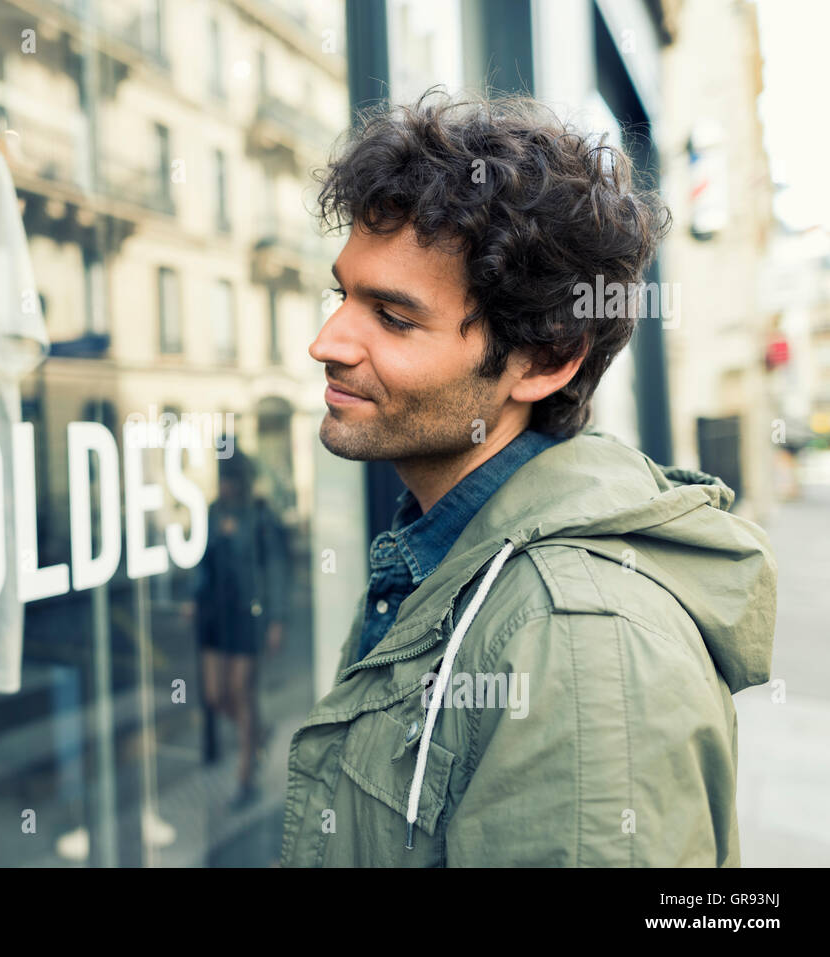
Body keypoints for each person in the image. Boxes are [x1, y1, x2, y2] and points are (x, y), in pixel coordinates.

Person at [280, 90, 777, 867]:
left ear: (546, 359)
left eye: (394, 317)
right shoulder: (441, 551)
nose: (327, 341)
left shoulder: (580, 645)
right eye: (343, 294)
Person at [185, 449, 287, 810]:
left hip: (247, 616)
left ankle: (246, 774)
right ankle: (257, 734)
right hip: (215, 614)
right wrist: (194, 596)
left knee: (240, 690)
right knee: (215, 695)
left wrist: (275, 618)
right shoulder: (214, 512)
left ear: (242, 482)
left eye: (231, 481)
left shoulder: (259, 516)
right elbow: (203, 559)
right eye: (222, 481)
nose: (225, 488)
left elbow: (274, 568)